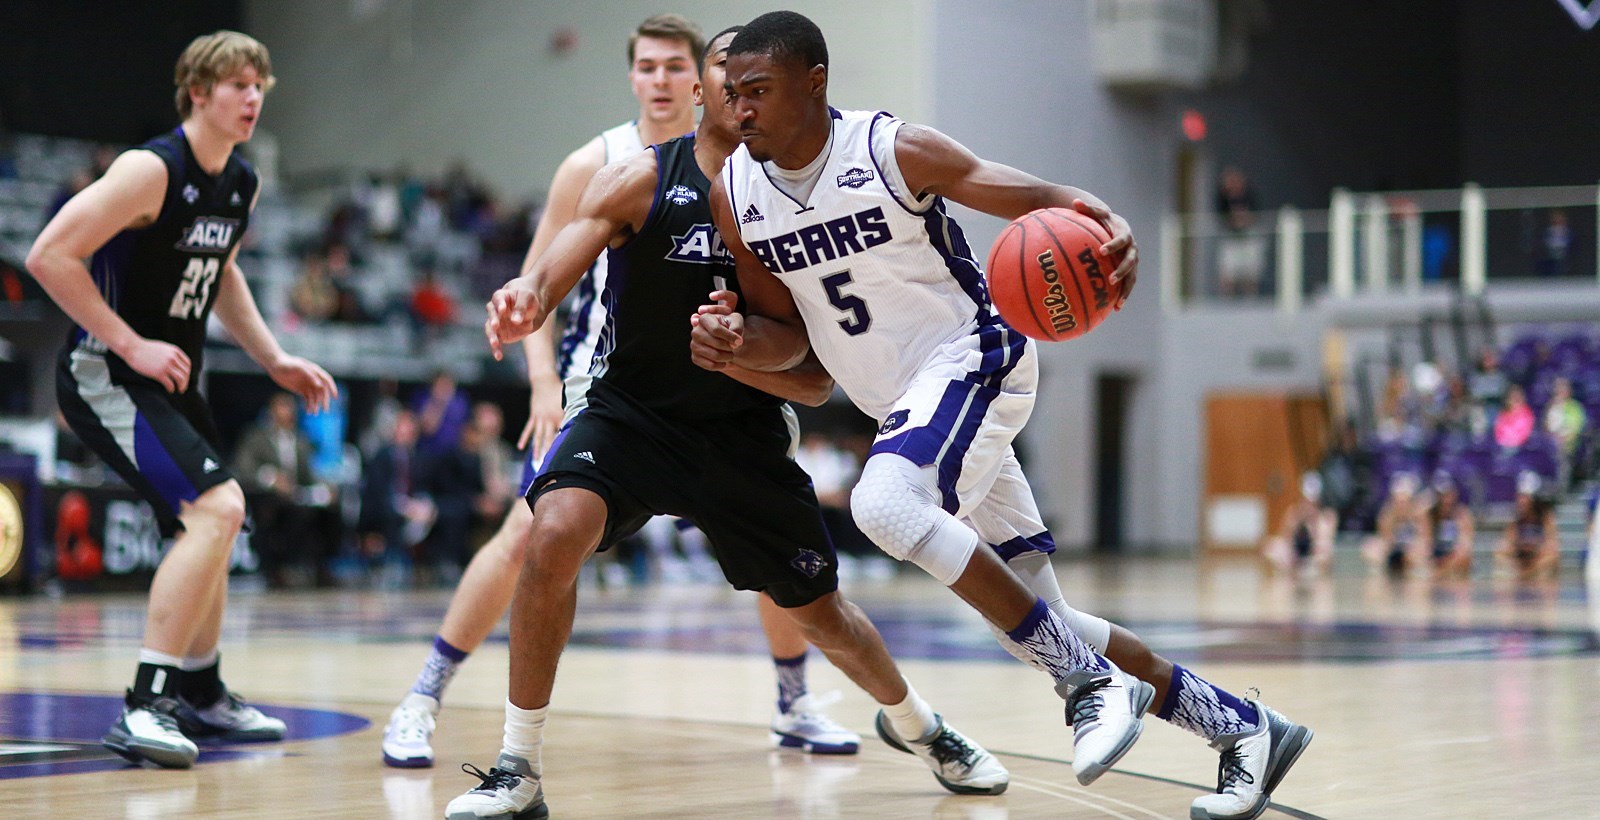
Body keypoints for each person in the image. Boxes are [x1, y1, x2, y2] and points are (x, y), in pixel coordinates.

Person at [690, 12, 1312, 817]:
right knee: (1027, 614)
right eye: (733, 94)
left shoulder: (890, 151)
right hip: (906, 408)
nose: (739, 110)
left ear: (814, 84)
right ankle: (1244, 728)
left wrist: (1104, 220)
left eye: (759, 92)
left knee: (884, 505)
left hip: (973, 357)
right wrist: (736, 340)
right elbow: (797, 350)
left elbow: (1037, 195)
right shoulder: (735, 193)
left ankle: (1088, 685)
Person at [451, 27, 1012, 817]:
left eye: (753, 77)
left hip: (742, 433)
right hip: (632, 416)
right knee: (550, 534)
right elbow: (555, 269)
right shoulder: (639, 179)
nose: (738, 84)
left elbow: (813, 381)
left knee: (826, 616)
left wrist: (740, 347)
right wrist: (526, 296)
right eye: (725, 69)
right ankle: (519, 766)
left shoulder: (786, 198)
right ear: (700, 92)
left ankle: (922, 727)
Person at [381, 15, 857, 772]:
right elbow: (533, 282)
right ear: (634, 77)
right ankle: (424, 695)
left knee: (776, 531)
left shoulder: (755, 162)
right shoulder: (598, 162)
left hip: (730, 378)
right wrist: (542, 384)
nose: (663, 79)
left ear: (708, 81)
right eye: (649, 67)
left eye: (677, 65)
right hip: (605, 381)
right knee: (527, 539)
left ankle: (794, 700)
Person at [25, 31, 337, 769]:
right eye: (237, 84)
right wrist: (129, 343)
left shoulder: (242, 182)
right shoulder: (149, 170)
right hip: (106, 373)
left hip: (171, 377)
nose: (253, 97)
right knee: (219, 508)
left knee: (214, 524)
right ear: (198, 92)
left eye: (260, 84)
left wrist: (274, 358)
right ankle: (147, 704)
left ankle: (200, 693)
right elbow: (48, 256)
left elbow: (222, 274)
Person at [233, 392, 328, 588]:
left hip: (296, 497)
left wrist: (325, 488)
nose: (287, 413)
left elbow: (309, 476)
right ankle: (276, 568)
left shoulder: (301, 441)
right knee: (280, 513)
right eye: (282, 407)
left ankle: (319, 568)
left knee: (325, 511)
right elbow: (244, 468)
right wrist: (272, 479)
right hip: (267, 497)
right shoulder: (256, 437)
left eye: (290, 408)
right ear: (272, 411)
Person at [1261, 472, 1335, 575]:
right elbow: (1284, 538)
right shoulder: (1293, 514)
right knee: (1271, 547)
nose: (1309, 505)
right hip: (1295, 556)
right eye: (1306, 501)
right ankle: (1291, 572)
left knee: (1324, 553)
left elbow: (1324, 544)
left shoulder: (1326, 517)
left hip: (1313, 558)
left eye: (1312, 502)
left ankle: (1308, 571)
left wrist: (1314, 524)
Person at [1361, 473, 1427, 575]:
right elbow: (1384, 537)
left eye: (1404, 499)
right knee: (1370, 547)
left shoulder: (1419, 514)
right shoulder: (1387, 513)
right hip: (1394, 548)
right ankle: (1382, 569)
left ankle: (1415, 569)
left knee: (1420, 549)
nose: (1401, 503)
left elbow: (1425, 537)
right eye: (1398, 499)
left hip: (1411, 549)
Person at [1497, 471, 1560, 578]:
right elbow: (1508, 541)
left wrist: (1535, 547)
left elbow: (1552, 542)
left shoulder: (1545, 517)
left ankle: (1532, 579)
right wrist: (1520, 546)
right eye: (1520, 497)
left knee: (1552, 557)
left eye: (1525, 497)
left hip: (1538, 559)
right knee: (1500, 552)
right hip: (1520, 559)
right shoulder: (1515, 518)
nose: (1522, 501)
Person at [1421, 471, 1474, 578]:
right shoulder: (1429, 514)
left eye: (1448, 495)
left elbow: (1465, 541)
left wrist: (1449, 560)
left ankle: (1440, 574)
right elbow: (1425, 539)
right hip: (1436, 552)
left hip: (1453, 554)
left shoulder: (1462, 514)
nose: (1445, 499)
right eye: (1441, 495)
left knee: (1465, 554)